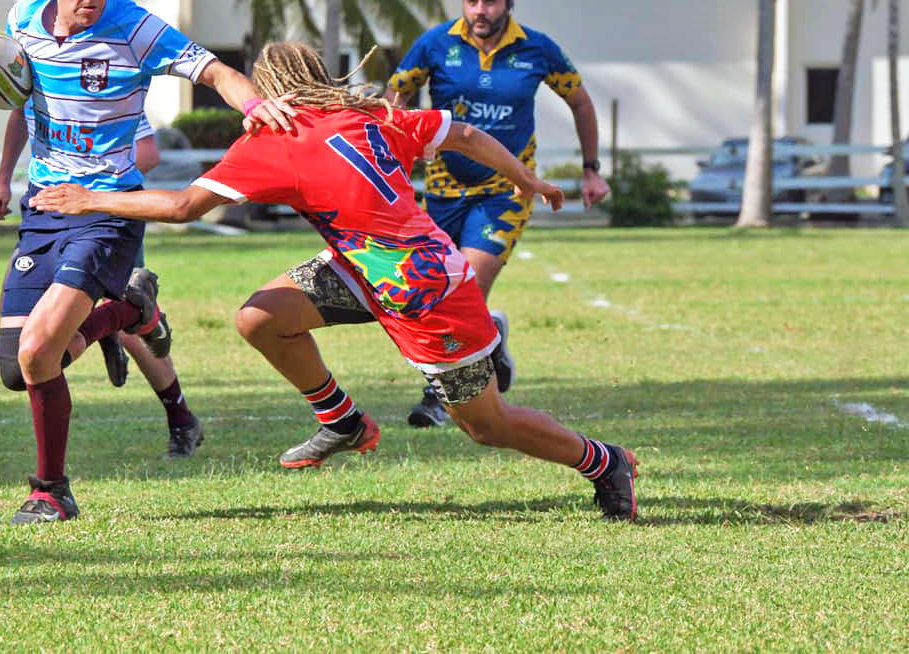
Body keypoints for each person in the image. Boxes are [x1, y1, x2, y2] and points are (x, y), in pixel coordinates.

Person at [34, 42, 639, 522]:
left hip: (425, 292)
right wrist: (527, 179)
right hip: (368, 268)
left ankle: (604, 462)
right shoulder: (368, 113)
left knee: (487, 425)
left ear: (267, 91)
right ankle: (344, 421)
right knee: (261, 318)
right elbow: (466, 135)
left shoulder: (274, 139)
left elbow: (183, 207)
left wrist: (90, 199)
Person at [0, 0, 293, 524]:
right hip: (44, 207)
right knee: (20, 370)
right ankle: (134, 309)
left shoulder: (135, 29)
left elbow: (216, 71)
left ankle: (50, 489)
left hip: (108, 212)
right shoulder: (21, 21)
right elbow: (3, 95)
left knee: (41, 349)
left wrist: (256, 104)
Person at [386, 0, 611, 427]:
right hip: (444, 190)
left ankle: (438, 397)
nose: (480, 10)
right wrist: (398, 151)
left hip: (506, 192)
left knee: (465, 283)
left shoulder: (538, 49)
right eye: (472, 1)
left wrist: (591, 170)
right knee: (429, 289)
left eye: (489, 0)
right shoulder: (435, 44)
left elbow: (580, 101)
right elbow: (395, 96)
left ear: (509, 2)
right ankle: (493, 339)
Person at [0, 113, 204, 460]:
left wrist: (95, 185)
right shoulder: (37, 76)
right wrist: (3, 180)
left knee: (132, 331)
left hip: (107, 219)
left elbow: (148, 153)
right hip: (48, 221)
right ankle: (112, 322)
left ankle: (181, 421)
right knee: (20, 341)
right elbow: (18, 116)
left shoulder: (110, 89)